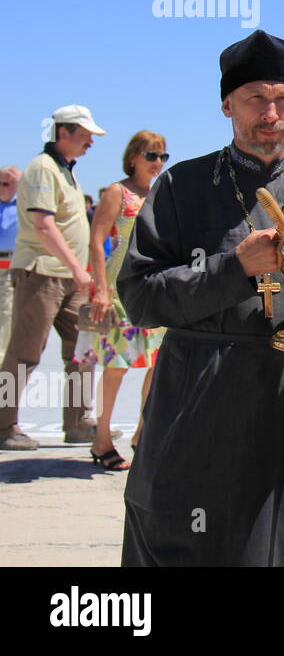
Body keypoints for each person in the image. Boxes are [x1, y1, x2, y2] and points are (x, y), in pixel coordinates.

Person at [116, 30, 284, 566]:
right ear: (227, 104)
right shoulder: (180, 188)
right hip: (196, 403)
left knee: (274, 548)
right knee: (179, 543)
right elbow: (139, 298)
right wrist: (233, 270)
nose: (271, 112)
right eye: (256, 98)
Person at [0, 107, 105, 450]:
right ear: (63, 133)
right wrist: (78, 268)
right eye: (85, 134)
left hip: (68, 278)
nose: (91, 141)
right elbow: (43, 225)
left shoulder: (66, 172)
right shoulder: (43, 169)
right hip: (41, 274)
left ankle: (78, 424)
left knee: (81, 353)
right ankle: (4, 426)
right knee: (24, 353)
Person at [75, 131, 171, 471]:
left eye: (163, 157)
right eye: (151, 155)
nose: (158, 163)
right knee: (115, 367)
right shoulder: (118, 192)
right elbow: (96, 240)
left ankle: (142, 435)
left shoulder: (160, 194)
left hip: (152, 290)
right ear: (133, 157)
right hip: (118, 291)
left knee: (156, 368)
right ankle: (102, 439)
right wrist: (100, 289)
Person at [0, 165, 21, 362]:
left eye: (6, 184)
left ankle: (2, 357)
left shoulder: (24, 206)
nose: (2, 187)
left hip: (10, 264)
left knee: (5, 312)